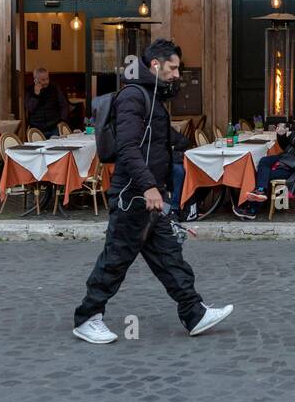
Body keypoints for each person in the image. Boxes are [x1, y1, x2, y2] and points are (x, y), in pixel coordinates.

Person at [72, 39, 232, 344]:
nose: (176, 75)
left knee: (169, 256)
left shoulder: (153, 97)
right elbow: (128, 148)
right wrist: (148, 186)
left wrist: (199, 147)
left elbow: (162, 139)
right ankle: (87, 317)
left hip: (148, 195)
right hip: (133, 195)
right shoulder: (134, 96)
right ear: (155, 65)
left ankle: (194, 312)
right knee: (116, 258)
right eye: (172, 68)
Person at [232, 108, 295, 219]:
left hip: (293, 168)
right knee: (263, 161)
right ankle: (260, 192)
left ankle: (252, 209)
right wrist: (281, 135)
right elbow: (285, 146)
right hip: (285, 159)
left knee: (264, 174)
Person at [26, 67, 69, 137]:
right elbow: (30, 108)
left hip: (54, 127)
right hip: (37, 129)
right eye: (43, 80)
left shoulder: (55, 87)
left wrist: (62, 120)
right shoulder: (29, 90)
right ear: (35, 80)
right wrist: (36, 95)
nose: (46, 82)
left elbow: (64, 105)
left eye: (47, 79)